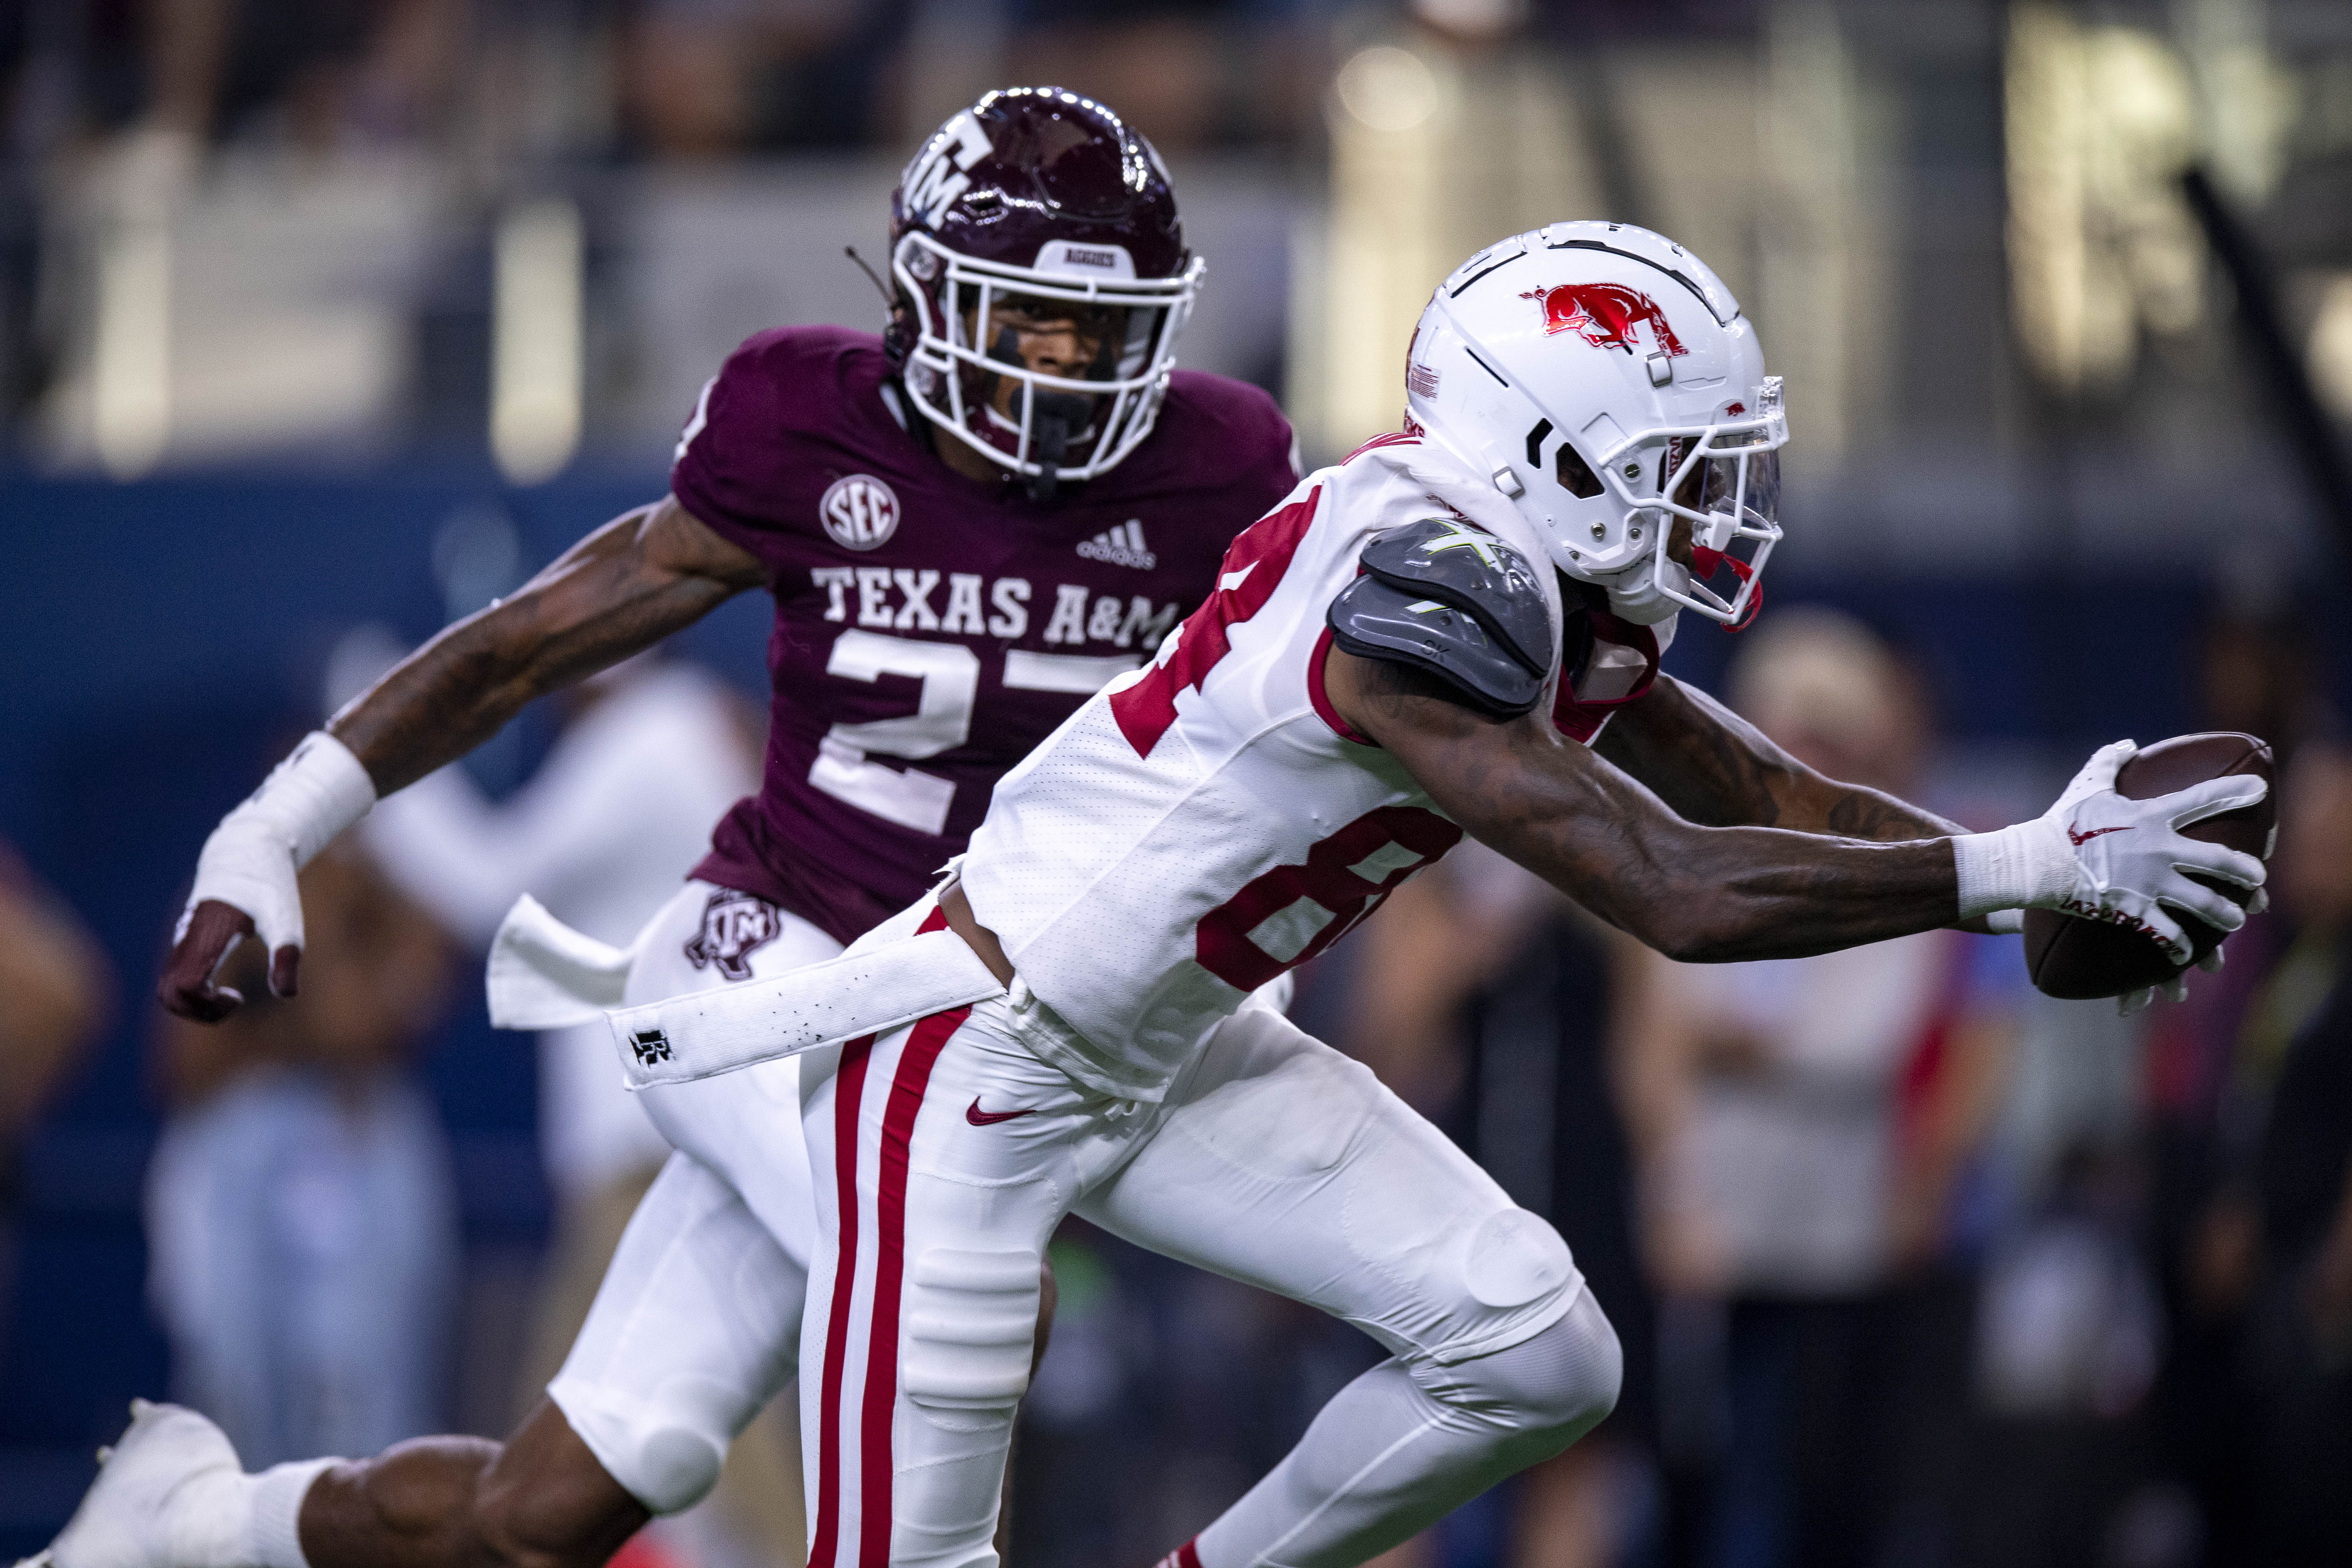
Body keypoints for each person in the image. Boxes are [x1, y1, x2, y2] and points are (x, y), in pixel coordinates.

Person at [50, 221, 2261, 1568]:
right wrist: (2002, 873)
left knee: (1537, 1345)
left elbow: (1740, 775)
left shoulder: (1511, 564)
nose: (1721, 517)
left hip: (1178, 1044)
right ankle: (224, 1530)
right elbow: (1667, 889)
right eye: (1686, 473)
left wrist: (2020, 853)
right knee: (627, 1506)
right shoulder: (1417, 589)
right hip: (962, 1060)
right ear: (1554, 456)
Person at [30, 86, 1297, 1568]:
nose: (1063, 372)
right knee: (954, 1294)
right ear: (923, 300)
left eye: (1099, 333)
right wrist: (279, 823)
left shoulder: (1214, 472)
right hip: (751, 985)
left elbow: (1288, 751)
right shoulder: (798, 440)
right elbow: (516, 647)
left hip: (953, 1029)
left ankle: (201, 1524)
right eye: (1025, 324)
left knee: (539, 1512)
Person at [146, 838, 460, 1465]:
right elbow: (182, 1060)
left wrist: (273, 1008)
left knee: (364, 1403)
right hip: (239, 1156)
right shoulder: (228, 886)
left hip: (358, 1144)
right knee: (232, 1388)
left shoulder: (390, 888)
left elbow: (362, 1019)